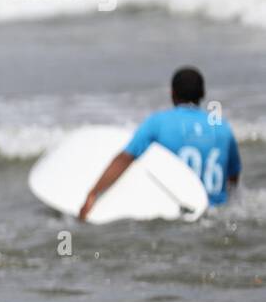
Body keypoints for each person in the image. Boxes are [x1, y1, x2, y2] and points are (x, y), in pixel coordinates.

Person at [80, 66, 241, 220]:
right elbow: (233, 177)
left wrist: (94, 192)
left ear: (172, 93)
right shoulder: (222, 127)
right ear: (203, 93)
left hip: (176, 210)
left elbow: (126, 158)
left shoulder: (158, 123)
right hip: (217, 212)